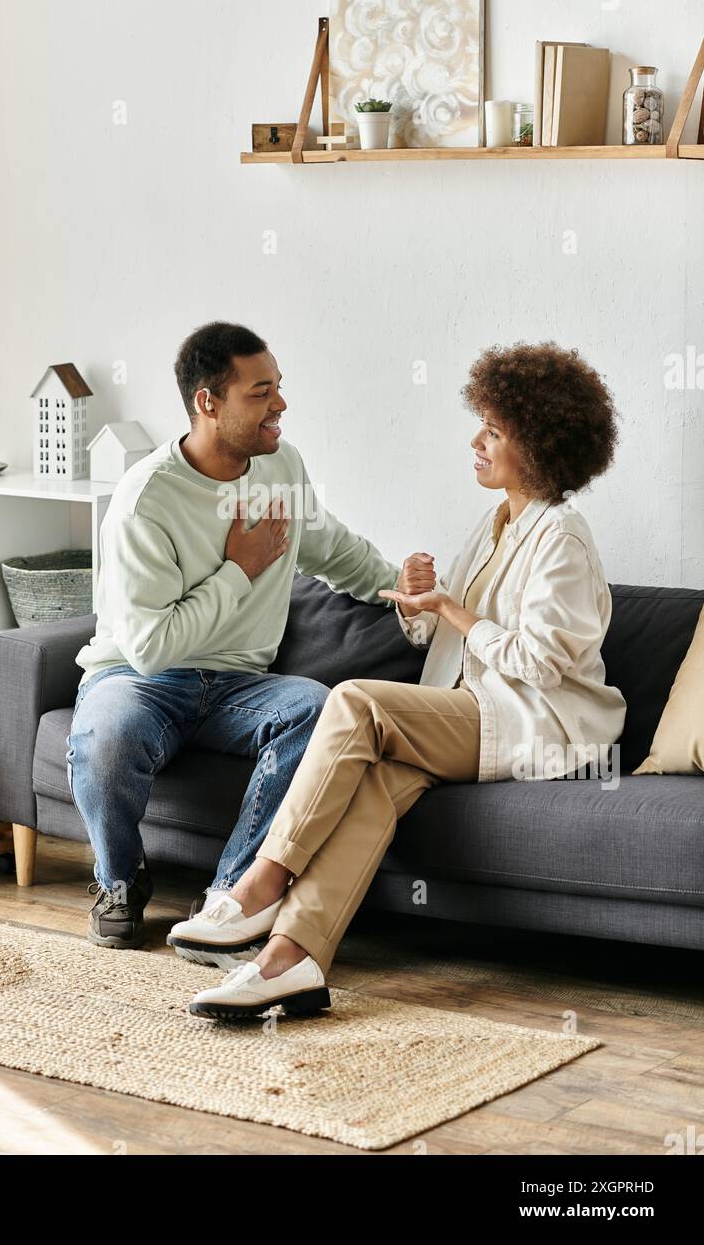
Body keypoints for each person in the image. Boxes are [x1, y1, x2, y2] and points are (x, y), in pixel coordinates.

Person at [188, 341, 627, 1020]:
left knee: (356, 701)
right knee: (372, 786)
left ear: (539, 448)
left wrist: (454, 607)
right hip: (467, 710)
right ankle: (290, 962)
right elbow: (455, 636)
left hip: (535, 725)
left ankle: (259, 885)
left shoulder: (562, 537)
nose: (476, 440)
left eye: (494, 430)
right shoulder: (497, 522)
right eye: (479, 422)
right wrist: (425, 606)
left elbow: (541, 663)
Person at [66, 321, 435, 951]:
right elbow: (153, 647)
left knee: (318, 711)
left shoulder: (281, 467)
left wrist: (400, 588)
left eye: (279, 389)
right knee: (106, 733)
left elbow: (330, 550)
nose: (281, 406)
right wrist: (241, 568)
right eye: (261, 393)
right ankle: (119, 879)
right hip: (140, 677)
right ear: (209, 403)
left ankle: (229, 895)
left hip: (242, 684)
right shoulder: (147, 500)